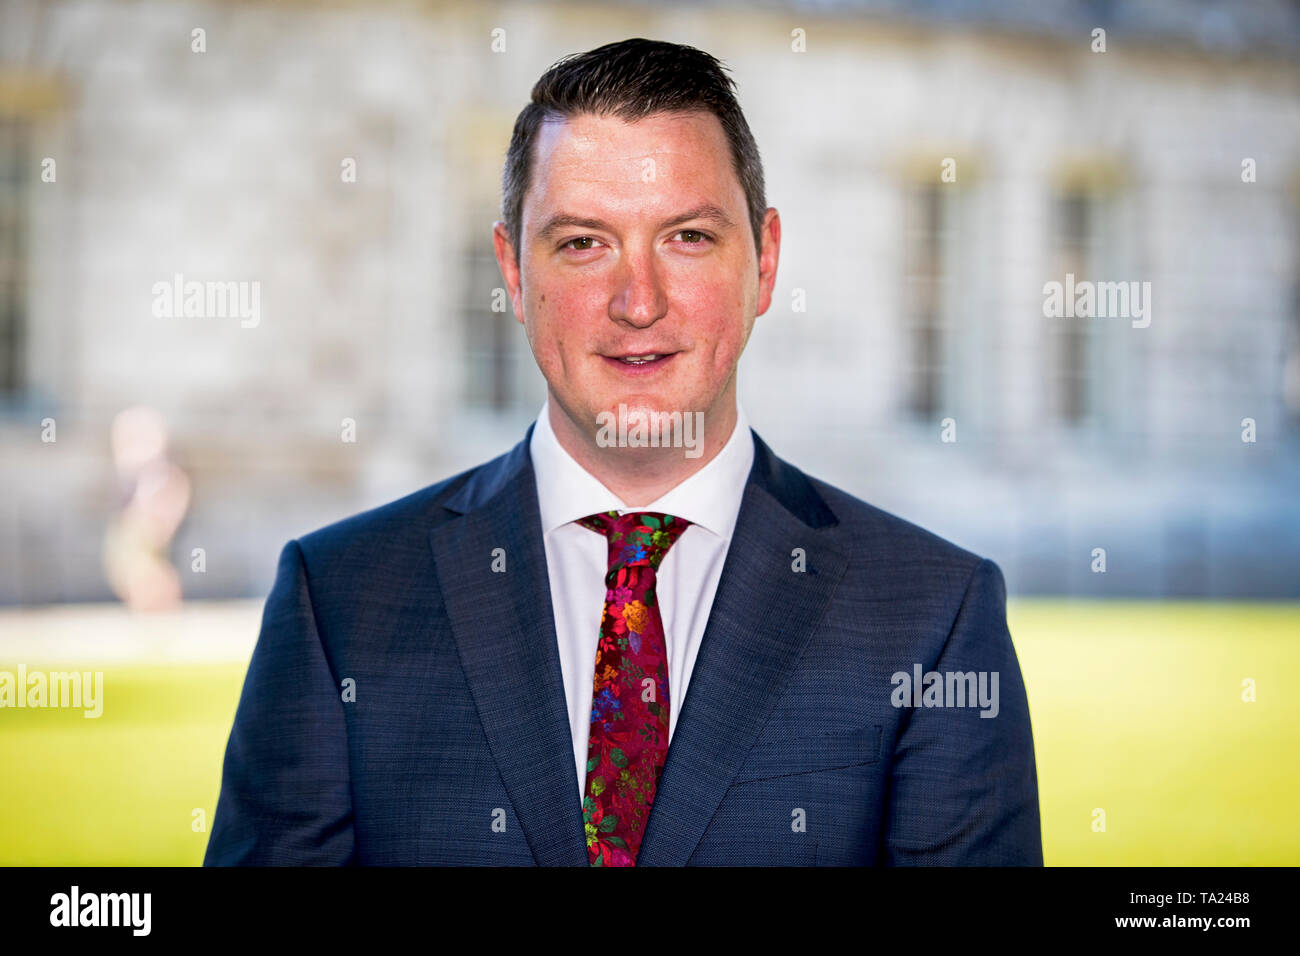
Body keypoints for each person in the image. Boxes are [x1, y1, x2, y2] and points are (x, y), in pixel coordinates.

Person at [205, 37, 1042, 867]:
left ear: (766, 261)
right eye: (582, 243)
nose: (638, 303)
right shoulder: (339, 603)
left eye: (687, 237)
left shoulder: (934, 617)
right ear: (512, 271)